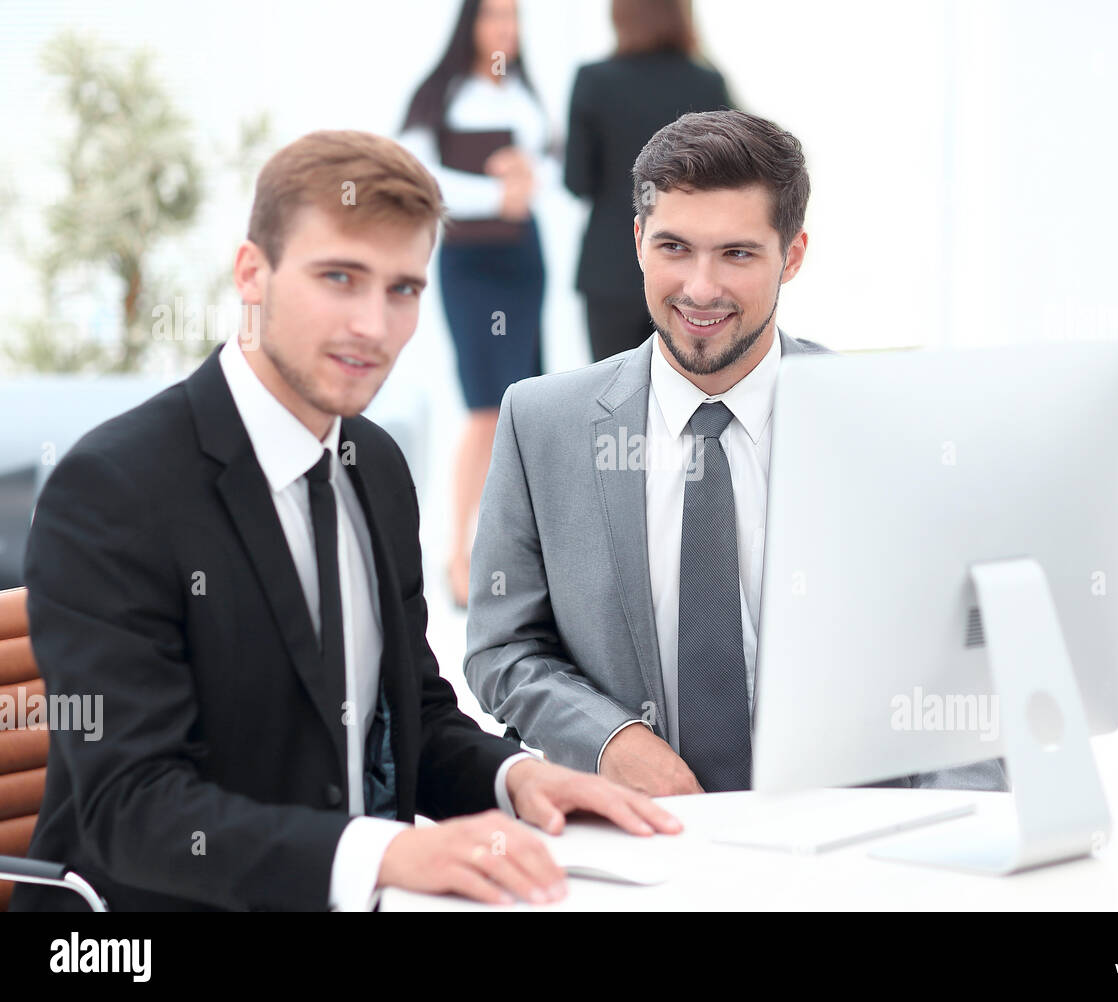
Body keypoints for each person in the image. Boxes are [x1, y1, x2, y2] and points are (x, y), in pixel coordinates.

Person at [12, 129, 678, 913]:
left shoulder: (376, 465)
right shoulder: (114, 490)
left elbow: (409, 716)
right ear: (251, 274)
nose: (374, 324)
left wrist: (516, 778)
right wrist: (387, 853)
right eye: (340, 277)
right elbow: (135, 809)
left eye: (402, 289)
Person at [465, 110, 1008, 796]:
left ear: (795, 255)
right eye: (674, 248)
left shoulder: (892, 422)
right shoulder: (542, 423)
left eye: (737, 254)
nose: (699, 288)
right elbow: (504, 648)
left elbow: (958, 665)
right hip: (641, 841)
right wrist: (610, 740)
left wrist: (961, 836)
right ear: (637, 241)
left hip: (851, 844)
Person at [399, 0, 557, 609]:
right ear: (470, 25)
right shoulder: (440, 96)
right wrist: (499, 192)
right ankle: (458, 555)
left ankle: (515, 560)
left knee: (523, 406)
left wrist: (525, 175)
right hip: (472, 264)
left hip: (523, 262)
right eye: (495, 18)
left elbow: (544, 164)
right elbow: (420, 181)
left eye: (513, 18)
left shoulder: (525, 93)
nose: (505, 31)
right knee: (486, 409)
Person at [565, 0, 731, 362]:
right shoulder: (707, 83)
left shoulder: (593, 80)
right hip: (689, 269)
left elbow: (576, 181)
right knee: (684, 394)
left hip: (609, 268)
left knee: (611, 399)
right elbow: (726, 182)